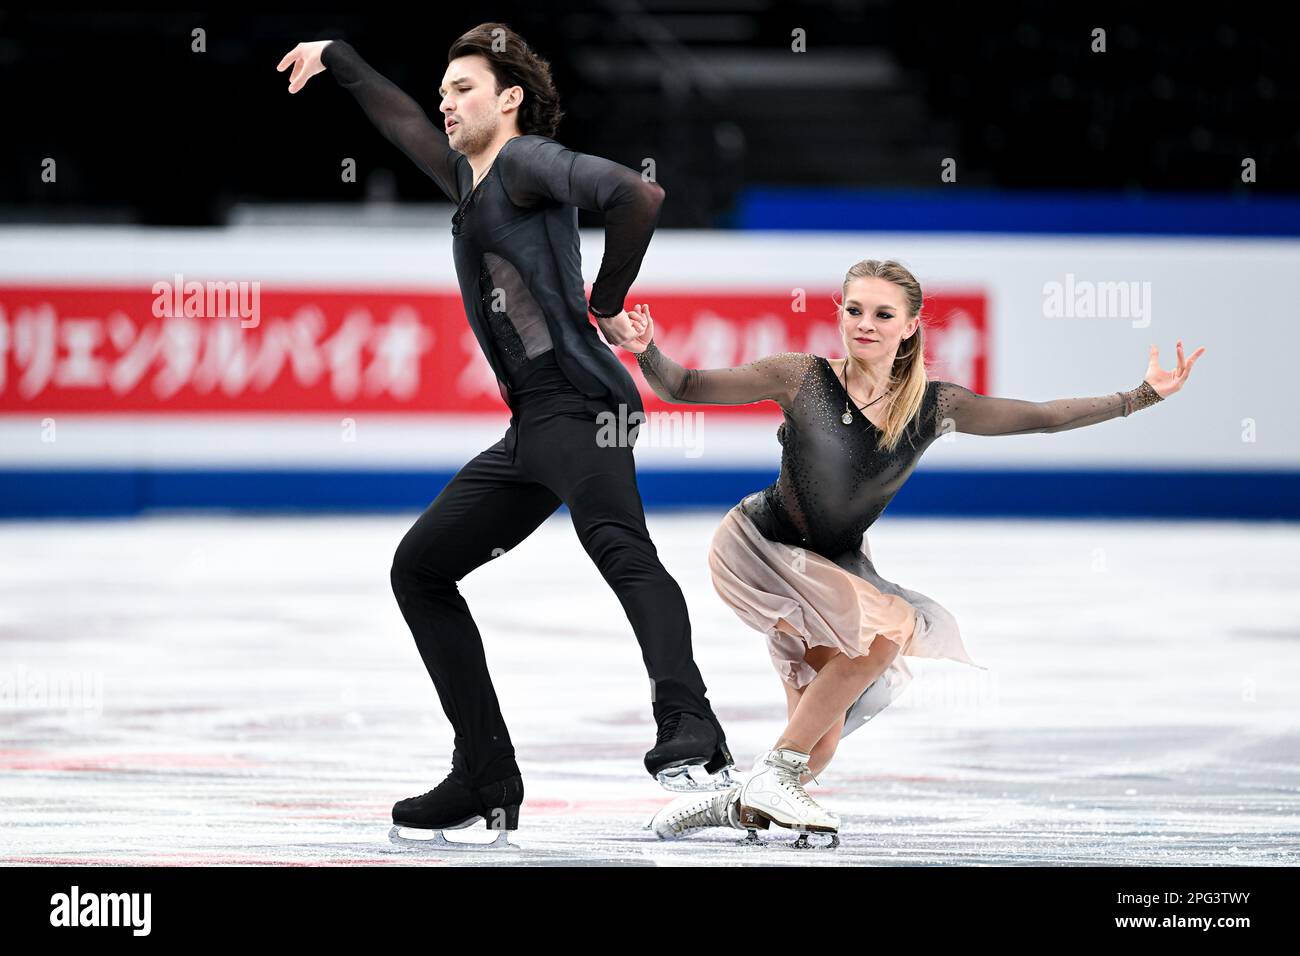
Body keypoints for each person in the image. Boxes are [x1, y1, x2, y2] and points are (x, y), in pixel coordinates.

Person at [277, 23, 736, 845]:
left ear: (510, 99)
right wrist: (340, 57)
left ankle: (690, 724)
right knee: (420, 569)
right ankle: (485, 771)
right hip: (533, 424)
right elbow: (397, 120)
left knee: (620, 551)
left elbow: (638, 195)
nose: (445, 104)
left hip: (579, 407)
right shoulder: (469, 176)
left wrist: (606, 300)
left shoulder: (525, 161)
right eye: (444, 91)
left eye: (464, 90)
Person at [625, 258, 1203, 845]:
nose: (865, 324)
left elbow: (1044, 420)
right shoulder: (801, 377)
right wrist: (648, 349)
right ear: (840, 314)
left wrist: (1142, 395)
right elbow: (687, 386)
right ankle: (774, 775)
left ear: (910, 326)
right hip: (759, 545)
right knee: (893, 627)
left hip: (833, 563)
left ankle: (730, 803)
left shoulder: (935, 406)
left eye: (882, 314)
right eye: (854, 310)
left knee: (818, 738)